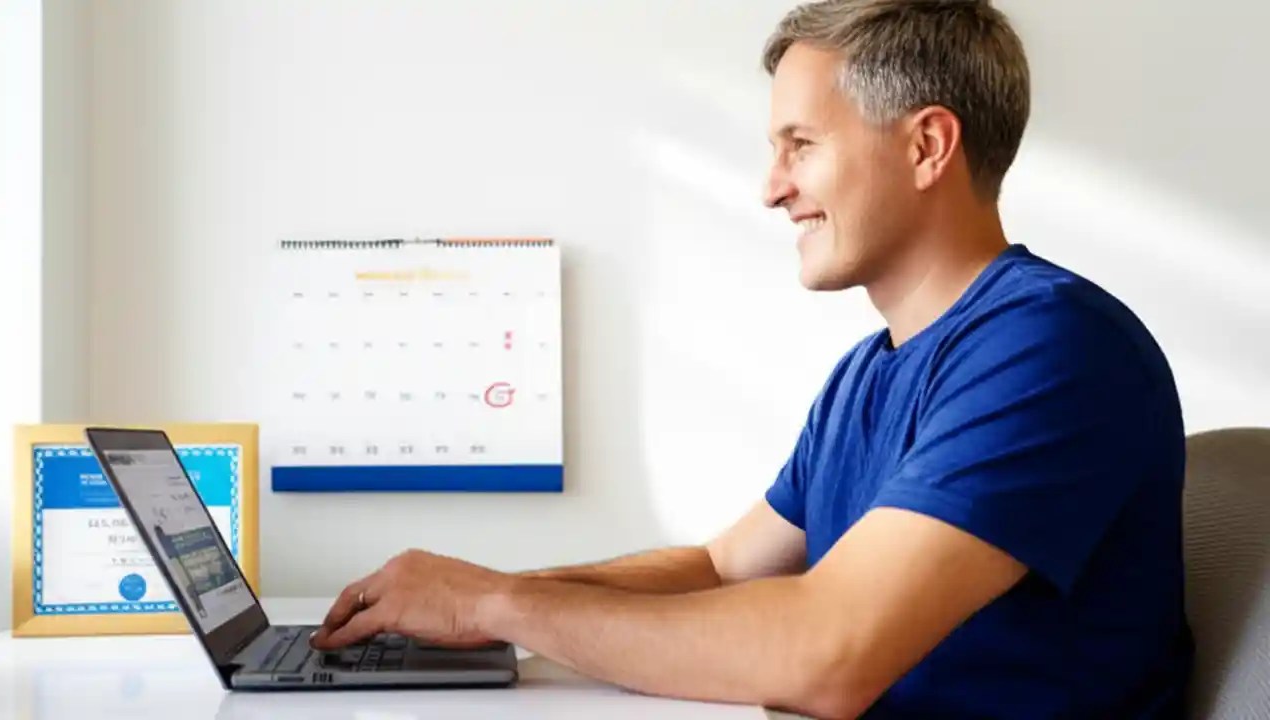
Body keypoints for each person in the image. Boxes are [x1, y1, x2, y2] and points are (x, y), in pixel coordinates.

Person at [311, 1, 1193, 717]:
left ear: (926, 146)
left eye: (800, 145)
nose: (771, 188)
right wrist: (485, 596)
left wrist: (494, 607)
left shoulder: (1051, 348)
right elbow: (722, 566)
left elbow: (828, 656)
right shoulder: (868, 372)